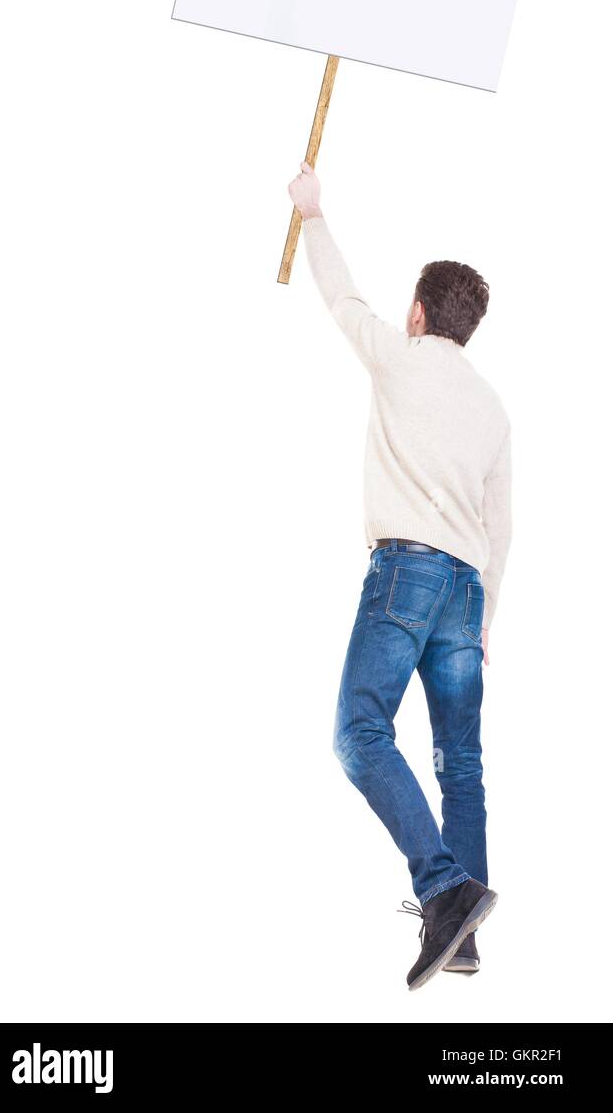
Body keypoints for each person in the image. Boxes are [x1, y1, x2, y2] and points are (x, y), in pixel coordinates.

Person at [288, 162, 512, 990]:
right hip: (464, 593)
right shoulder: (490, 407)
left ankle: (445, 890)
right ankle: (467, 933)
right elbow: (501, 526)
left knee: (357, 733)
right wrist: (489, 613)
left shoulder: (401, 358)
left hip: (405, 579)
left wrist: (312, 214)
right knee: (461, 760)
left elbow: (342, 301)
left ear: (419, 314)